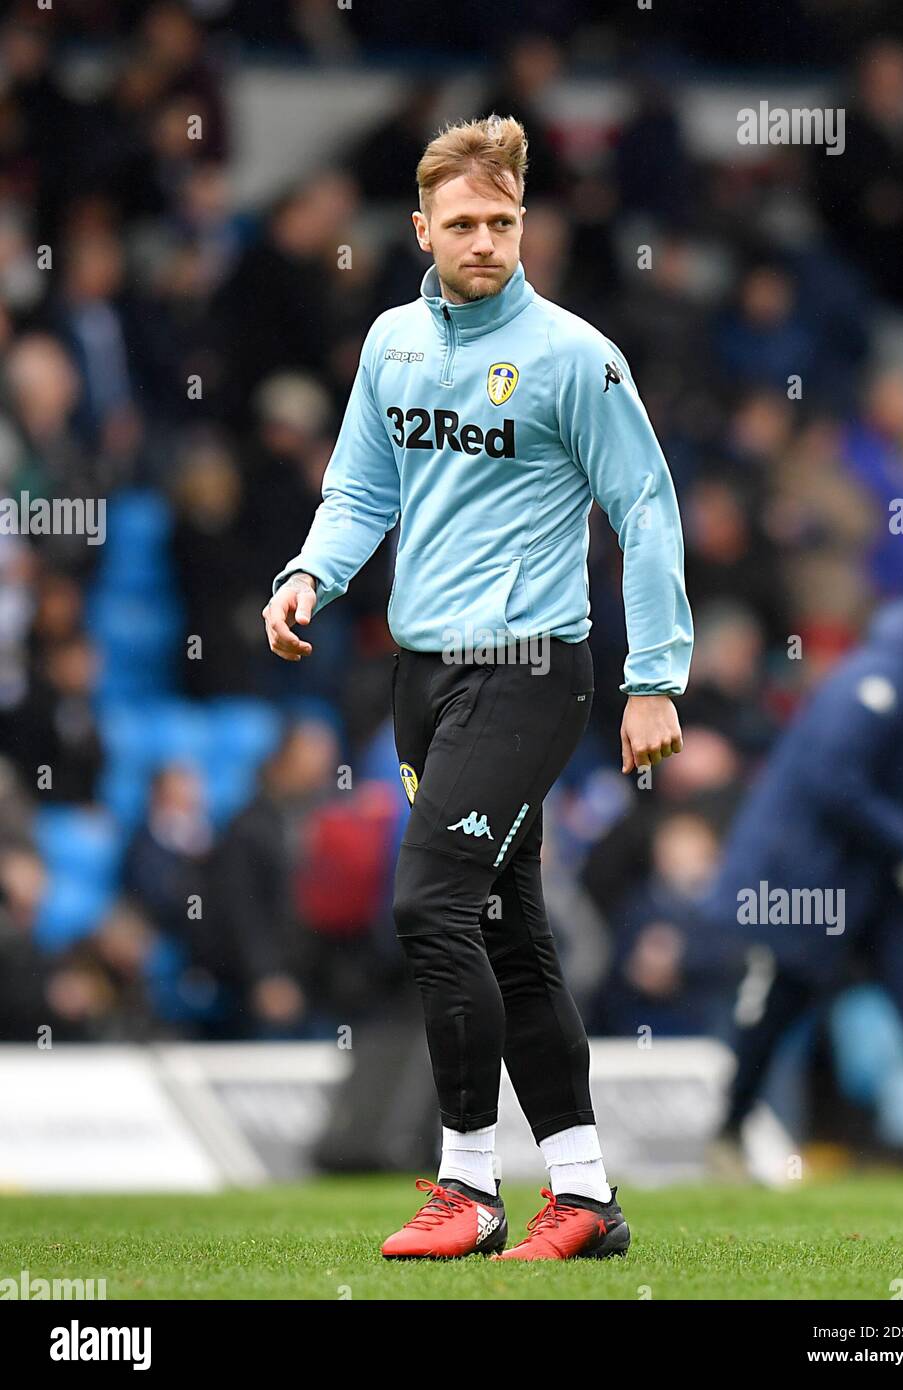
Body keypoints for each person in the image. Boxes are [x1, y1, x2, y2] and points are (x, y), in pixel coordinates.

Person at [263, 115, 693, 1260]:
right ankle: (585, 1195)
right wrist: (310, 572)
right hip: (426, 675)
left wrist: (653, 678)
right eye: (463, 223)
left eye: (503, 221)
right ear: (420, 229)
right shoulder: (392, 344)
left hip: (530, 669)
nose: (487, 241)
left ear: (524, 224)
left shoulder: (575, 356)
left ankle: (467, 1183)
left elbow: (644, 509)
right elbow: (358, 491)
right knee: (508, 935)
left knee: (427, 904)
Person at [706, 577, 903, 1176]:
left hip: (889, 876)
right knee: (785, 997)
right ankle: (730, 1129)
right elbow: (832, 785)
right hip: (816, 873)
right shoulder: (871, 680)